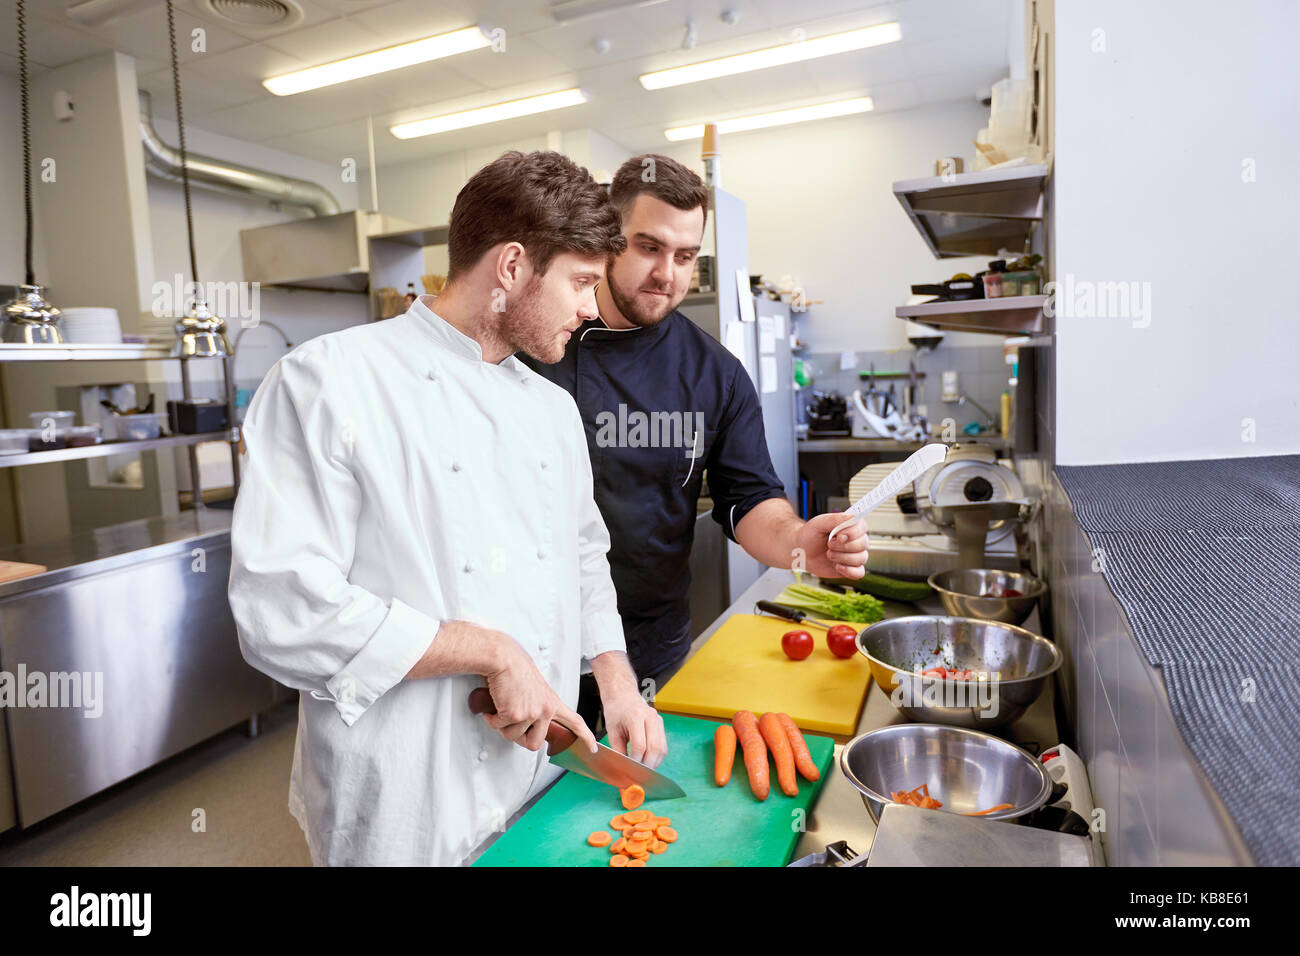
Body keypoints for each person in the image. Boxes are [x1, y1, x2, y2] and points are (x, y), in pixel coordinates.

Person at [228, 150, 667, 867]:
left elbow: (582, 553)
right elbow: (281, 611)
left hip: (533, 768)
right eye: (582, 282)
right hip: (404, 796)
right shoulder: (329, 382)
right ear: (513, 266)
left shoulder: (553, 409)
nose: (592, 309)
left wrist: (615, 681)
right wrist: (487, 650)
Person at [522, 154, 869, 733]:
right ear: (609, 236)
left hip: (649, 650)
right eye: (648, 247)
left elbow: (749, 496)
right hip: (530, 641)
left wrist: (798, 541)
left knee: (635, 814)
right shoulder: (538, 344)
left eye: (685, 256)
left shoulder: (716, 373)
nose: (668, 274)